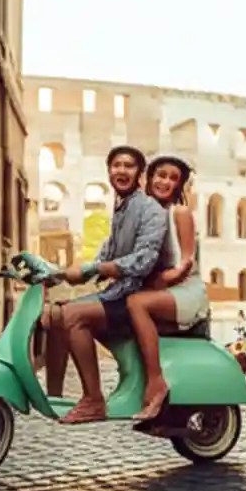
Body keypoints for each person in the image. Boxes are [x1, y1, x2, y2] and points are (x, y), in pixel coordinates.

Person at [42, 145, 169, 424]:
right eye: (116, 166)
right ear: (109, 171)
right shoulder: (121, 209)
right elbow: (106, 253)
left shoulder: (150, 210)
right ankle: (53, 396)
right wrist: (60, 273)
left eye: (129, 166)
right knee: (54, 313)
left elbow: (144, 260)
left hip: (136, 296)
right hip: (118, 293)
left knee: (72, 316)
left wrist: (95, 268)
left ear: (140, 174)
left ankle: (93, 399)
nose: (121, 171)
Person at [127, 155, 209, 421]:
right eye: (161, 175)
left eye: (174, 179)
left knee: (137, 303)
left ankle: (156, 383)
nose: (166, 182)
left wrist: (166, 279)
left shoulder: (179, 213)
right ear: (149, 178)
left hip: (185, 290)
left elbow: (187, 259)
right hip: (162, 291)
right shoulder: (144, 214)